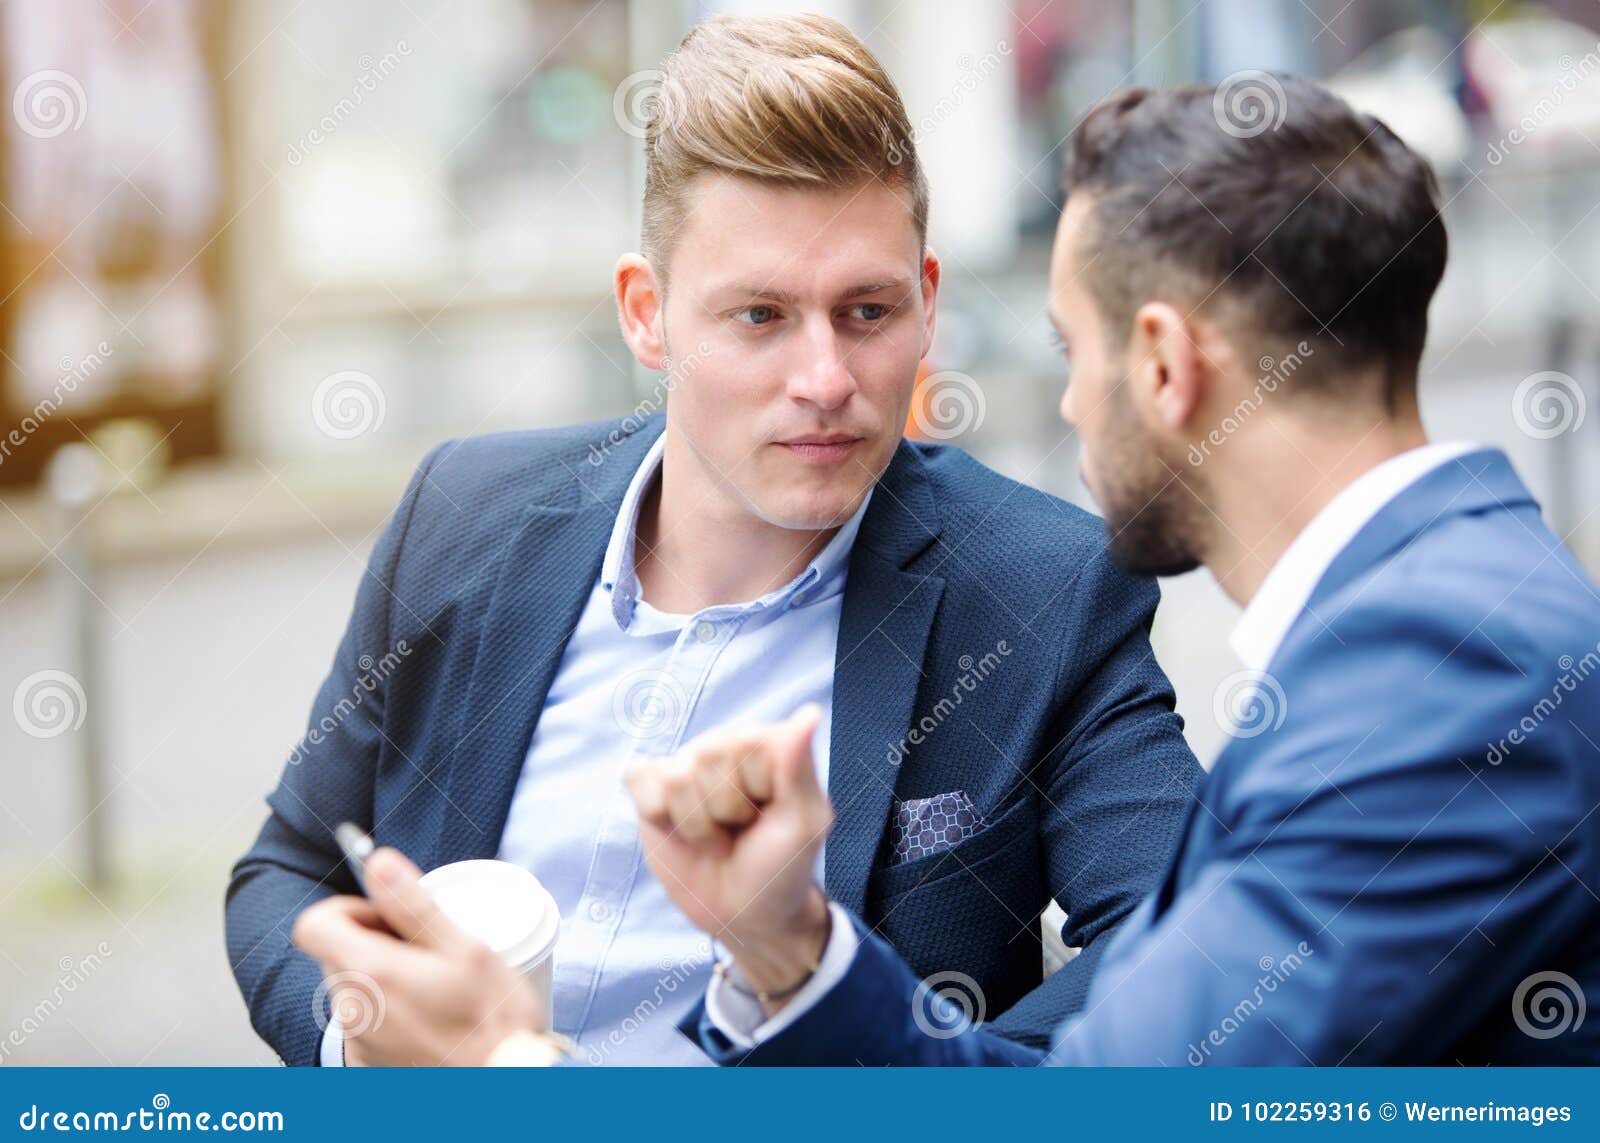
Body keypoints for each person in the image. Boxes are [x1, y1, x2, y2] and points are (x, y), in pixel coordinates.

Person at [226, 14, 1202, 1067]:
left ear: (927, 303)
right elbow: (292, 864)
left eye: (866, 312)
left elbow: (1189, 962)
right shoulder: (464, 513)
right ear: (646, 315)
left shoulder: (1044, 588)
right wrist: (362, 1041)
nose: (824, 379)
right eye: (760, 316)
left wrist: (838, 1005)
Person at [625, 76, 1600, 1065]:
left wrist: (786, 957)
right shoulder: (1449, 622)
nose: (1070, 406)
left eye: (1072, 348)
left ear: (1164, 365)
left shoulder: (1437, 673)